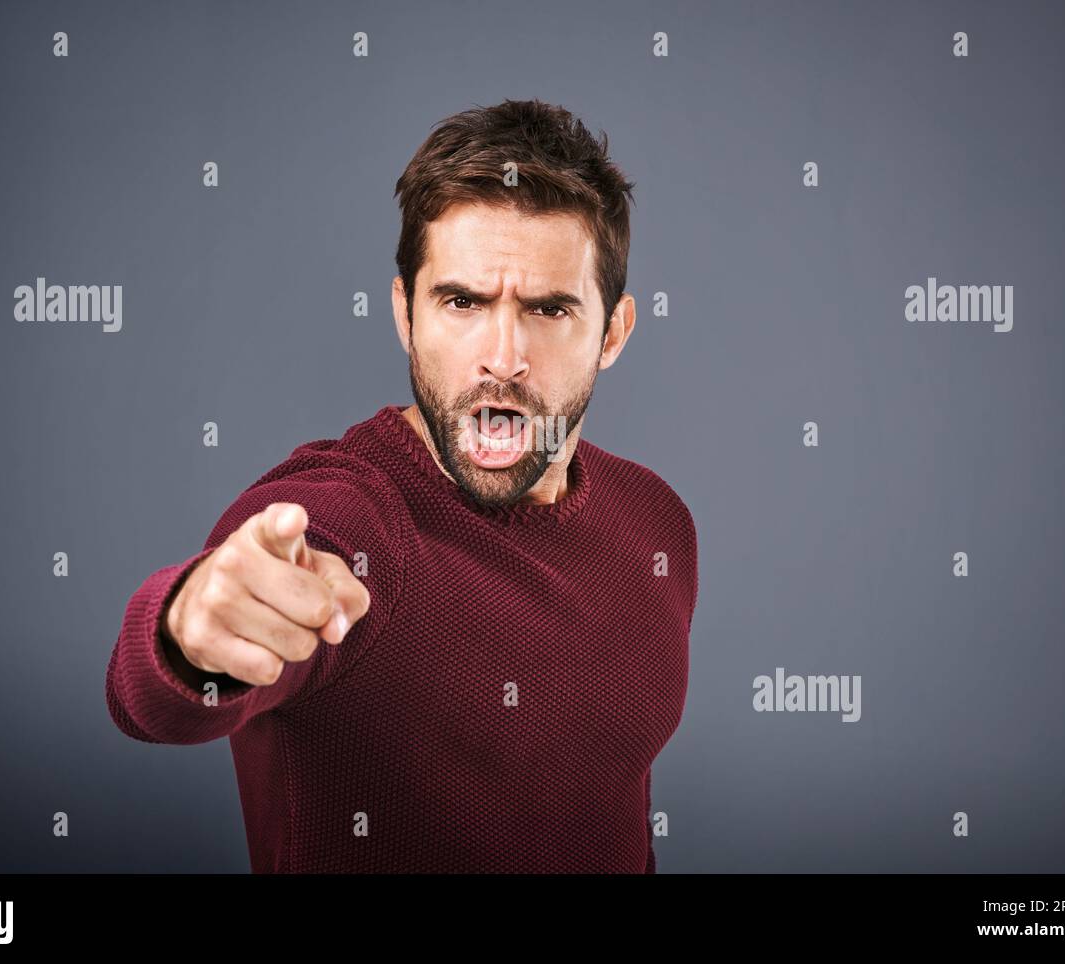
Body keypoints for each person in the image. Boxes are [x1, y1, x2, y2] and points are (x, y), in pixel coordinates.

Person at [105, 98, 698, 873]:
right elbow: (153, 694)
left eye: (550, 309)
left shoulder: (657, 526)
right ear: (405, 316)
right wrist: (187, 634)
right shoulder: (355, 524)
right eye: (462, 302)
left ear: (613, 332)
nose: (504, 357)